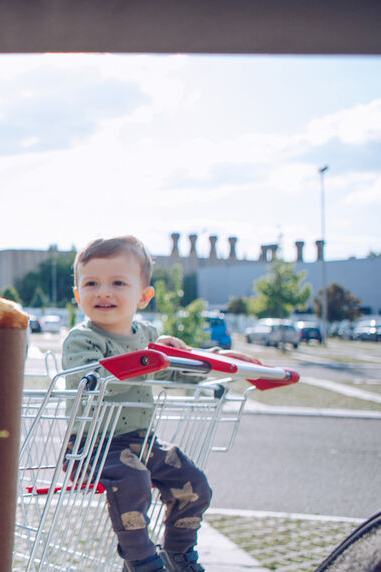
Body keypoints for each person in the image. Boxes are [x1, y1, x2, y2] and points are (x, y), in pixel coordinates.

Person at [62, 236, 258, 572]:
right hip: (92, 447)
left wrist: (212, 361)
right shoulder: (82, 339)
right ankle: (141, 561)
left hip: (142, 443)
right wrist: (149, 360)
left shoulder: (149, 336)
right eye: (91, 283)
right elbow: (91, 378)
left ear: (143, 295)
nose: (103, 292)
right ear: (78, 294)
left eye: (118, 283)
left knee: (194, 484)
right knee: (134, 481)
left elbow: (179, 373)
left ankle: (178, 554)